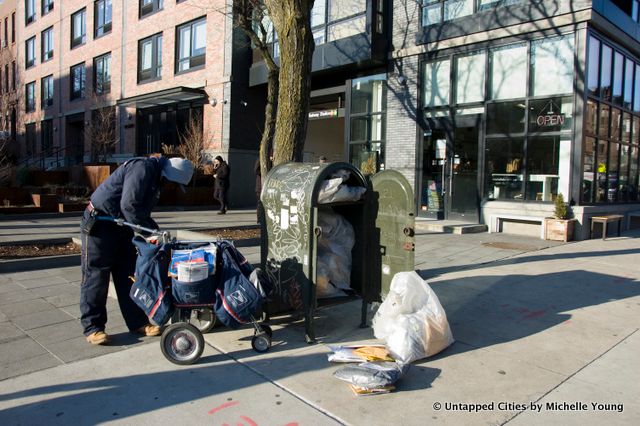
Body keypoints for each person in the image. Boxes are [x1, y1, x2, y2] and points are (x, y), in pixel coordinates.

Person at [80, 156, 194, 345]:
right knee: (96, 276)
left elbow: (138, 213)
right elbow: (129, 205)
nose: (170, 187)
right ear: (167, 176)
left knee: (129, 275)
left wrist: (155, 231)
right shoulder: (143, 168)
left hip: (121, 225)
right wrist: (147, 233)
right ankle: (93, 327)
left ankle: (137, 322)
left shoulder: (154, 178)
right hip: (101, 225)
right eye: (172, 183)